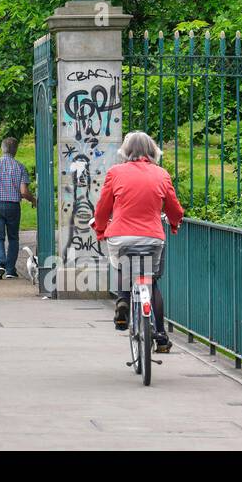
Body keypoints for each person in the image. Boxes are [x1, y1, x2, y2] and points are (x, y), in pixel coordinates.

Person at [92, 131, 184, 353]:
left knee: (125, 262)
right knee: (150, 281)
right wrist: (174, 223)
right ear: (152, 151)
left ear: (125, 152)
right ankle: (161, 336)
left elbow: (103, 207)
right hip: (152, 237)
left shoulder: (115, 173)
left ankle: (123, 299)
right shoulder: (162, 174)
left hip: (121, 235)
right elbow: (174, 208)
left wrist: (101, 229)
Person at [0, 137, 36, 279]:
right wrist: (33, 200)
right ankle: (10, 270)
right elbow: (24, 192)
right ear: (15, 150)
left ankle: (0, 264)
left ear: (2, 148)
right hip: (13, 206)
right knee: (13, 238)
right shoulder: (20, 167)